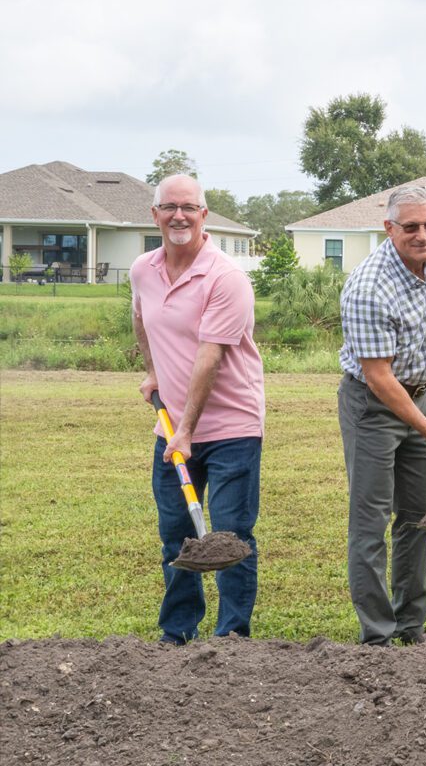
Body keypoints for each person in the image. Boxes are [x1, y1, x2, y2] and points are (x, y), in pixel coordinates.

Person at [131, 174, 265, 644]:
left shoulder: (226, 278)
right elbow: (141, 317)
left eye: (189, 207)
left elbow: (211, 357)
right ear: (155, 215)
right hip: (174, 427)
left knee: (230, 535)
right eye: (169, 207)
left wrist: (185, 429)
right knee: (176, 533)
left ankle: (232, 636)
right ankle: (178, 630)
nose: (179, 216)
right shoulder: (143, 269)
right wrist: (153, 372)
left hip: (232, 427)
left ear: (204, 215)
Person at [337, 185, 426, 646]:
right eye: (410, 227)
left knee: (417, 516)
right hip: (374, 407)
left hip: (419, 393)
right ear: (389, 228)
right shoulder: (369, 288)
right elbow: (378, 378)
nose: (423, 235)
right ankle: (378, 635)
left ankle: (411, 625)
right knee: (371, 522)